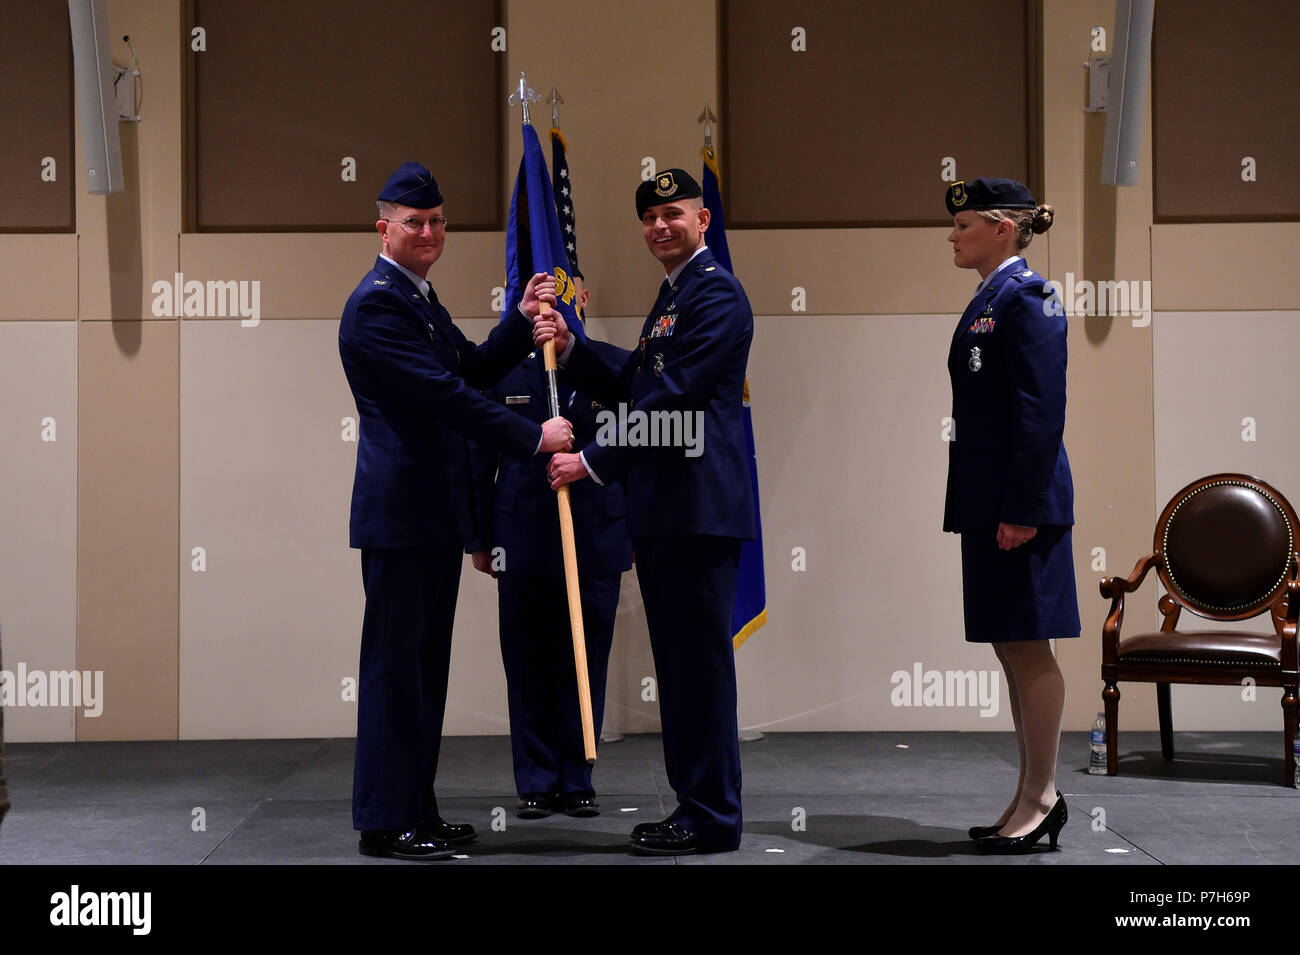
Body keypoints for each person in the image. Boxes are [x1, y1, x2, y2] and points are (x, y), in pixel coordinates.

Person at [339, 161, 573, 861]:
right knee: (394, 671)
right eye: (416, 222)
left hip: (429, 514)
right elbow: (448, 397)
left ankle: (417, 807)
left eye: (438, 221)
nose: (431, 232)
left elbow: (468, 367)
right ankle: (385, 821)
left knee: (422, 670)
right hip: (402, 514)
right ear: (384, 228)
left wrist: (522, 318)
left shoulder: (417, 296)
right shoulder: (379, 303)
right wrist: (535, 437)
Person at [542, 169, 755, 855]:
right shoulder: (673, 296)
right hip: (667, 513)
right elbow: (636, 382)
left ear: (702, 219)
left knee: (697, 672)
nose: (659, 226)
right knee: (683, 671)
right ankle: (695, 807)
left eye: (671, 213)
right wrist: (570, 347)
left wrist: (593, 461)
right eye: (648, 217)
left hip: (698, 512)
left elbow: (676, 398)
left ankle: (712, 815)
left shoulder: (715, 293)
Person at [942, 177, 1079, 853]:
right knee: (1009, 645)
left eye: (963, 223)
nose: (952, 234)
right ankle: (1028, 793)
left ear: (1003, 227)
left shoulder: (1029, 296)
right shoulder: (990, 297)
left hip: (1022, 506)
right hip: (990, 501)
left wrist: (1023, 508)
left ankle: (1042, 795)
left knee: (1029, 645)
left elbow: (1040, 409)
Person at [469, 272, 633, 819]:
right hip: (521, 535)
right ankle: (536, 779)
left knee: (586, 658)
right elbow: (481, 455)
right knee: (528, 659)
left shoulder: (610, 364)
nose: (553, 308)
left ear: (583, 300)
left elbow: (636, 438)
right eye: (543, 299)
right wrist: (479, 537)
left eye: (564, 297)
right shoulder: (505, 369)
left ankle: (578, 774)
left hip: (594, 531)